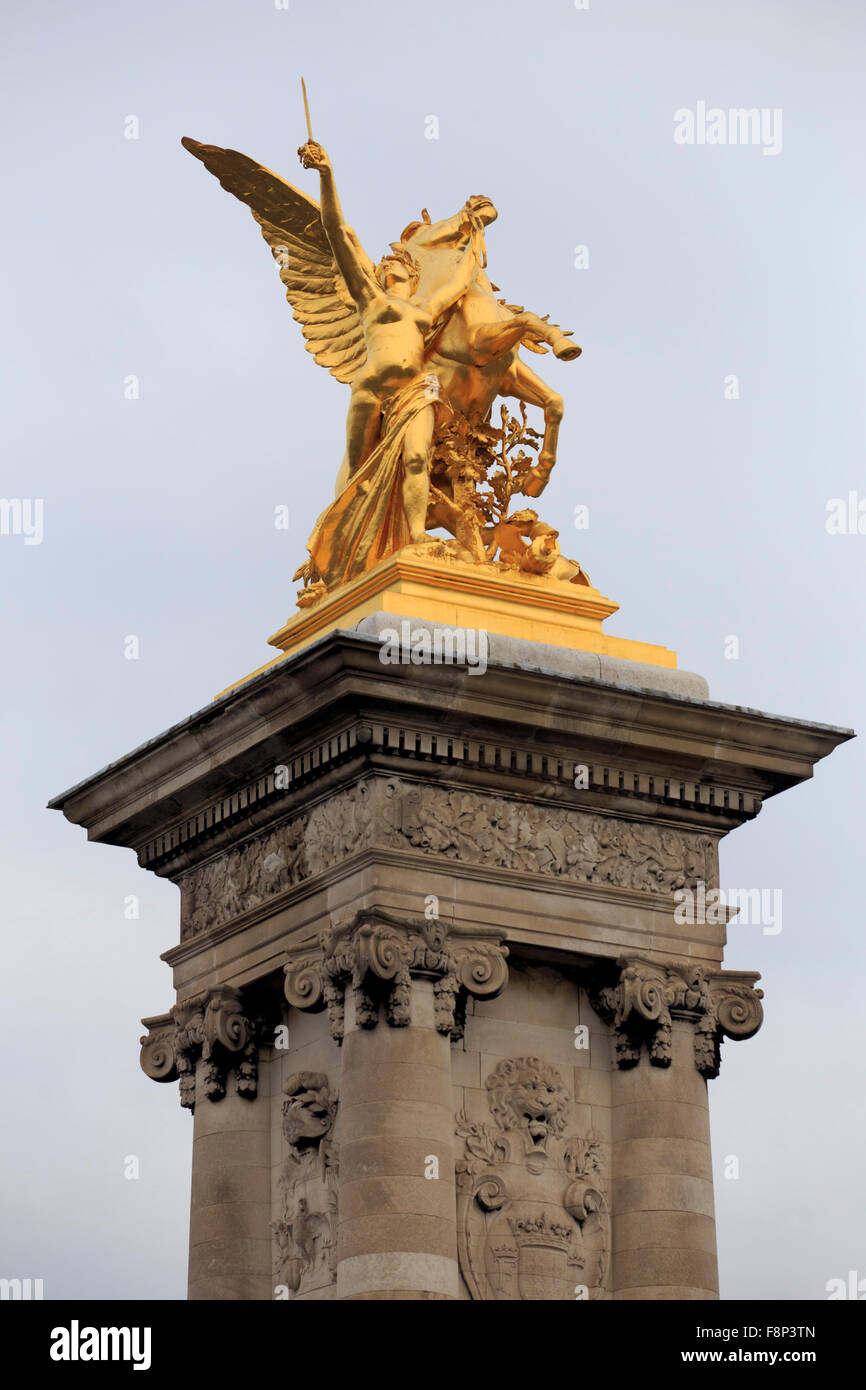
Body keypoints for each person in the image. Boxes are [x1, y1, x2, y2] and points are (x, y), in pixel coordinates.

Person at [297, 140, 482, 576]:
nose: (384, 266)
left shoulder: (425, 310)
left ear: (410, 274)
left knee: (417, 460)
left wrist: (475, 232)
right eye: (381, 264)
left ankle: (415, 537)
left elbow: (459, 280)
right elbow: (337, 230)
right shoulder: (370, 300)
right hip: (373, 391)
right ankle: (339, 547)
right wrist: (326, 174)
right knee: (360, 474)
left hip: (417, 391)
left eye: (393, 264)